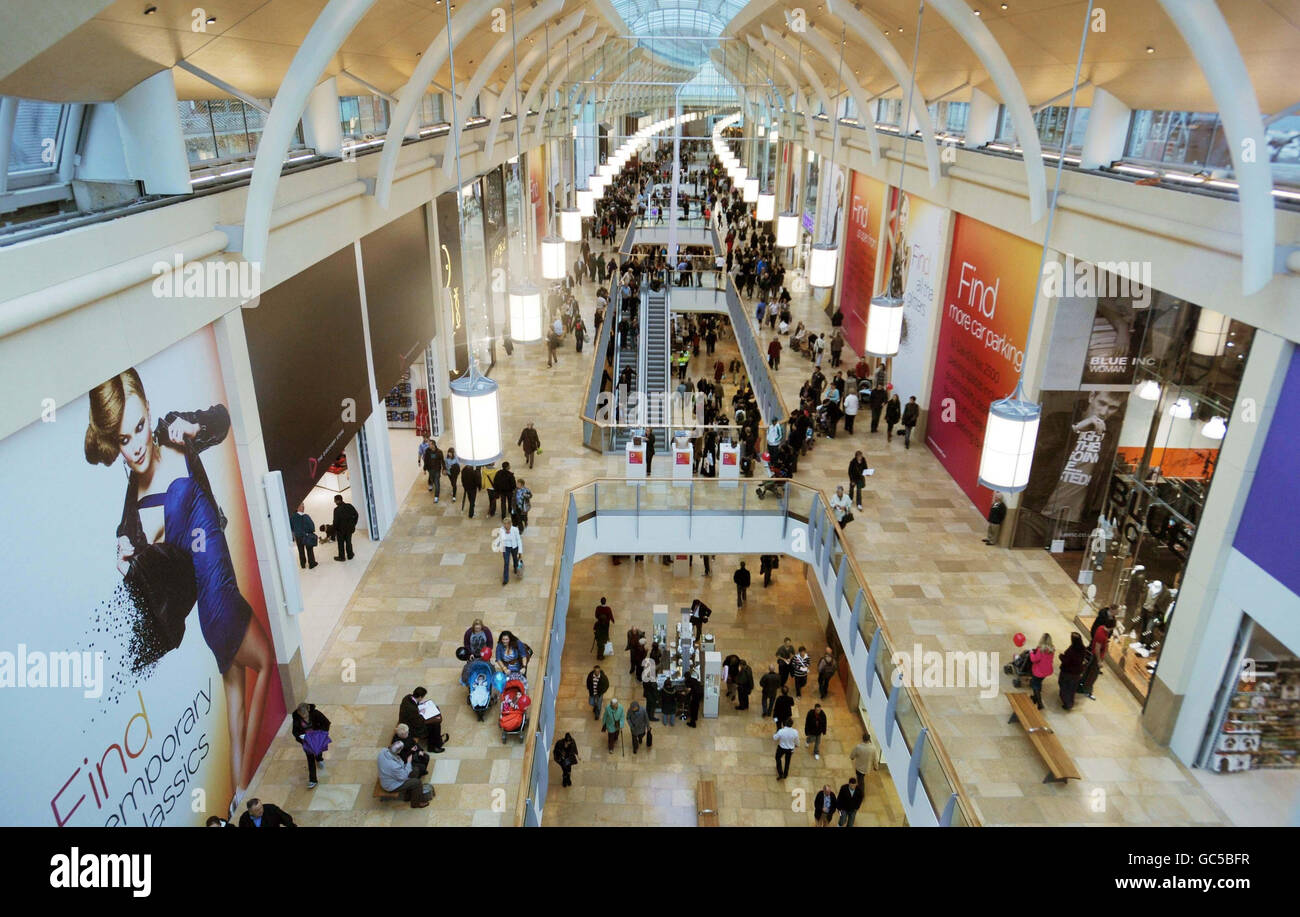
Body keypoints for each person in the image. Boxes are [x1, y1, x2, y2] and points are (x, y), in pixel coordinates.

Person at [87, 372, 275, 803]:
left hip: (219, 586)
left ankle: (239, 798)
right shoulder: (130, 519)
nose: (134, 445)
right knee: (264, 662)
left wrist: (193, 427)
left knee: (235, 702)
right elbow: (152, 587)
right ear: (114, 445)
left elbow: (223, 419)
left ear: (149, 413)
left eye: (138, 428)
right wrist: (128, 567)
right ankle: (248, 786)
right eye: (122, 439)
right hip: (216, 597)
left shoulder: (176, 434)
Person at [377, 741, 430, 808]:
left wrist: (410, 753)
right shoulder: (393, 766)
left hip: (390, 776)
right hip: (391, 785)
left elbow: (400, 767)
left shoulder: (383, 751)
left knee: (415, 770)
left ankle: (408, 795)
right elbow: (403, 777)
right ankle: (416, 803)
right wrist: (408, 762)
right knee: (417, 782)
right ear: (398, 751)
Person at [291, 701, 331, 788]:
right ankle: (313, 780)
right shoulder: (297, 719)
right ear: (298, 713)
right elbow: (295, 732)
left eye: (305, 714)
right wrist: (301, 739)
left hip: (317, 738)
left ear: (308, 710)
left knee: (318, 750)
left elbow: (326, 723)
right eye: (302, 714)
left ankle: (319, 758)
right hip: (307, 740)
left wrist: (322, 734)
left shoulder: (315, 714)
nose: (304, 716)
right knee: (310, 758)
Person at [398, 686, 447, 753]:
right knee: (435, 725)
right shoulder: (413, 710)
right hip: (410, 727)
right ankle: (432, 747)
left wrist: (418, 710)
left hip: (406, 721)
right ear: (420, 697)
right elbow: (419, 723)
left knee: (434, 724)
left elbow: (414, 707)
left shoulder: (407, 697)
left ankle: (436, 741)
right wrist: (421, 714)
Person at [1080, 610, 1112, 700]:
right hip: (1096, 657)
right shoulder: (1103, 635)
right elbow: (1098, 648)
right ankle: (1087, 690)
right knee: (1093, 675)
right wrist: (1099, 661)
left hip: (1095, 655)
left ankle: (1081, 684)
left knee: (1088, 671)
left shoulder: (1101, 628)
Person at [1059, 632, 1089, 710]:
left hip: (1067, 672)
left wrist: (1061, 656)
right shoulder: (1083, 649)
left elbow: (1066, 661)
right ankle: (1070, 702)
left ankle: (1067, 703)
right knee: (1072, 689)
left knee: (1064, 687)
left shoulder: (1071, 651)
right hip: (1077, 673)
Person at [1028, 634, 1055, 710]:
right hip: (1047, 671)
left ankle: (1040, 704)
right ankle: (1035, 697)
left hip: (1039, 671)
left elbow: (1034, 659)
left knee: (1035, 685)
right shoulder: (1052, 649)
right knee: (1038, 683)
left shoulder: (1041, 650)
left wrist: (1031, 653)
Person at [290, 503, 318, 569]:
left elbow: (291, 527)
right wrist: (311, 531)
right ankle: (312, 563)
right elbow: (312, 526)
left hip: (298, 536)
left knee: (300, 550)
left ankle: (303, 565)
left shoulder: (292, 517)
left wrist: (295, 534)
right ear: (297, 508)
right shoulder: (306, 516)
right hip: (307, 536)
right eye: (302, 506)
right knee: (309, 550)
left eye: (303, 505)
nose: (303, 507)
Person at [332, 494, 357, 561]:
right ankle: (350, 555)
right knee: (348, 542)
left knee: (340, 544)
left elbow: (335, 522)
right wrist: (353, 524)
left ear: (337, 501)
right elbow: (356, 515)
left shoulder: (336, 510)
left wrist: (334, 530)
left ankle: (342, 557)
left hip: (340, 530)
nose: (334, 502)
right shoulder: (349, 506)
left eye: (334, 500)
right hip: (349, 529)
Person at [499, 517, 522, 585]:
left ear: (510, 524)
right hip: (506, 548)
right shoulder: (501, 530)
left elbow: (518, 540)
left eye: (507, 524)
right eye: (504, 524)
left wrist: (520, 551)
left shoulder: (515, 530)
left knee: (515, 559)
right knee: (506, 563)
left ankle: (515, 567)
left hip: (514, 547)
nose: (505, 526)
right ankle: (505, 579)